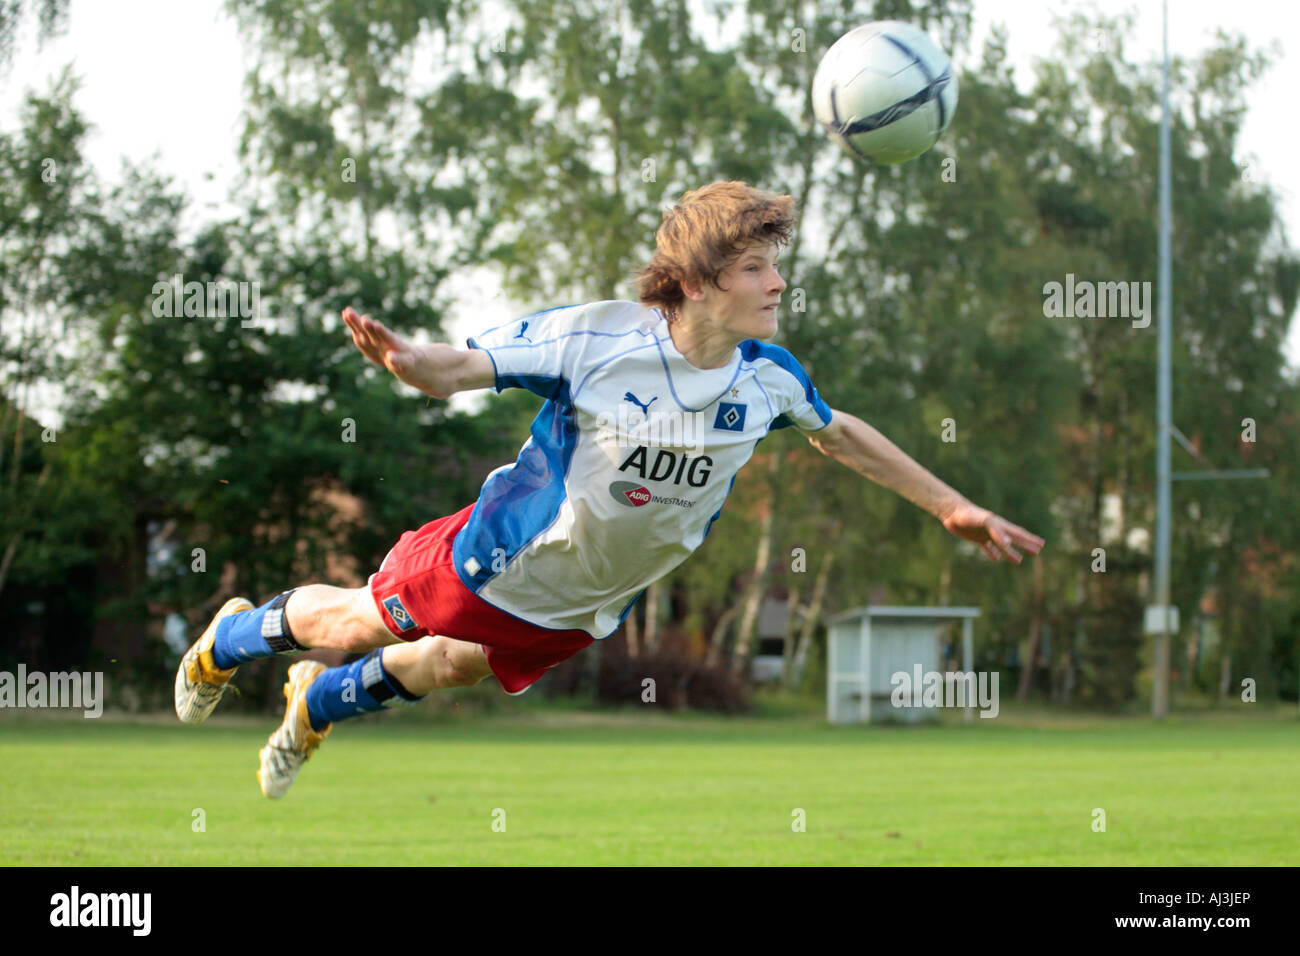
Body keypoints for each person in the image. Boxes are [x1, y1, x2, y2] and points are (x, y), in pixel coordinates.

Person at [173, 181, 1045, 798]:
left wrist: (947, 504)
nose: (776, 282)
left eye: (775, 264)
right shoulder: (597, 342)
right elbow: (465, 365)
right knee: (357, 620)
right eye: (753, 269)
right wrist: (413, 365)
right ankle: (228, 641)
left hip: (589, 601)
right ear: (700, 283)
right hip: (499, 558)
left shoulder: (769, 379)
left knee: (448, 668)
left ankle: (316, 702)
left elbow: (840, 431)